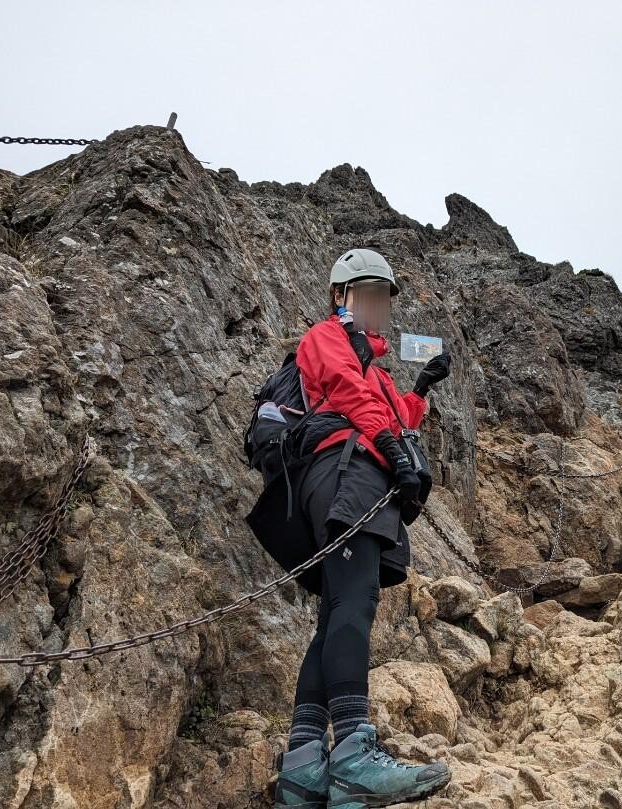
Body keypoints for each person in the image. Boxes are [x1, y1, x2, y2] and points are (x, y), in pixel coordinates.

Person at [274, 248, 453, 809]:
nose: (377, 306)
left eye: (383, 297)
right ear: (340, 297)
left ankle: (303, 768)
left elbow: (390, 409)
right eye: (367, 294)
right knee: (354, 605)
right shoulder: (325, 337)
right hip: (346, 472)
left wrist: (420, 390)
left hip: (353, 472)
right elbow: (353, 399)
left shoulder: (370, 363)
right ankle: (353, 756)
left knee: (336, 615)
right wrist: (393, 450)